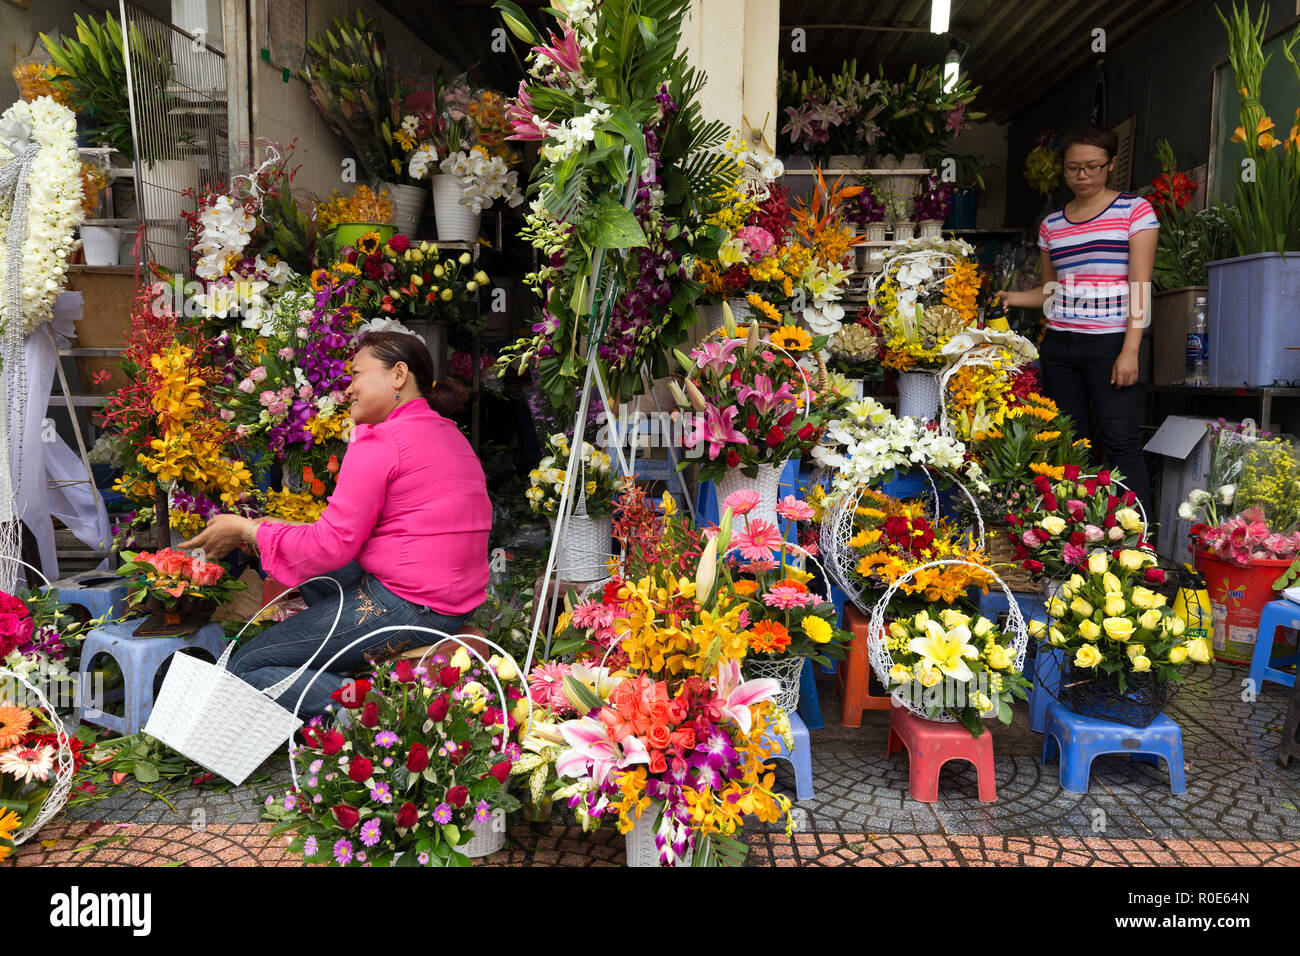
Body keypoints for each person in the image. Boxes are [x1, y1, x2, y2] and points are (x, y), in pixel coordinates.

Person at [178, 331, 491, 716]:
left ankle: (379, 707)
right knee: (296, 553)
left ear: (398, 375)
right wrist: (264, 531)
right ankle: (369, 663)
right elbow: (340, 538)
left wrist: (247, 531)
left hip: (411, 602)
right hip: (453, 601)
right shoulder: (448, 433)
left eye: (357, 374)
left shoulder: (381, 440)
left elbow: (330, 545)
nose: (349, 389)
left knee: (247, 666)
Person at [996, 123, 1158, 515]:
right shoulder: (1052, 225)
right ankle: (1079, 537)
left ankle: (1143, 541)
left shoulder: (1134, 211)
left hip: (1111, 344)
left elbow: (1140, 285)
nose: (1082, 176)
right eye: (1073, 168)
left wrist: (1130, 351)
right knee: (1070, 443)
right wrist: (1010, 297)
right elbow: (1052, 293)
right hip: (1060, 348)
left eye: (1092, 166)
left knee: (1120, 441)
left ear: (1111, 165)